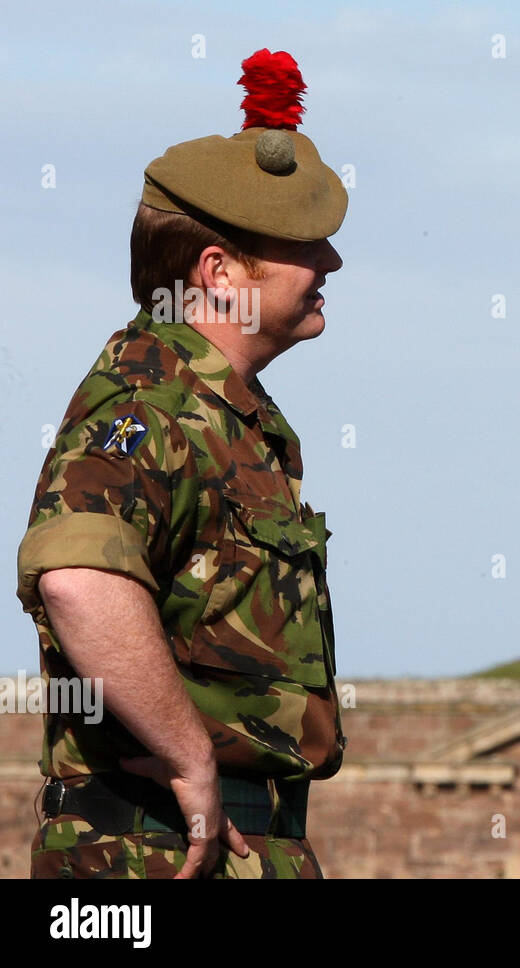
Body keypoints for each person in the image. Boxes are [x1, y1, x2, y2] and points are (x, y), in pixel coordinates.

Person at [17, 49, 348, 879]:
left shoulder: (230, 414)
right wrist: (190, 758)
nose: (331, 266)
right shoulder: (147, 404)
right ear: (219, 273)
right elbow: (77, 578)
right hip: (150, 851)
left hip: (229, 846)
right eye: (305, 247)